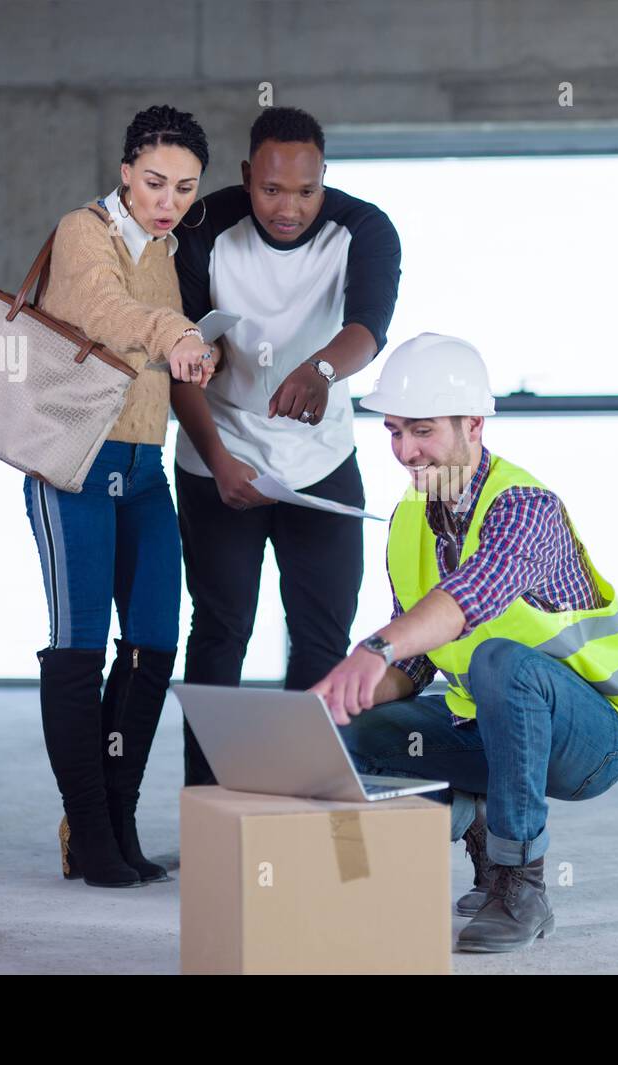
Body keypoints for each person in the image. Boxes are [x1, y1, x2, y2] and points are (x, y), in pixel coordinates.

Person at [310, 333, 618, 952]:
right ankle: (468, 822)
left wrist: (374, 648)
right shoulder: (409, 518)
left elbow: (468, 600)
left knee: (502, 662)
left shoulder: (525, 507)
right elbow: (413, 663)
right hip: (490, 728)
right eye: (393, 432)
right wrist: (351, 690)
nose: (404, 451)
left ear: (472, 425)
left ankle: (521, 885)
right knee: (358, 731)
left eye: (422, 431)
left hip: (592, 740)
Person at [170, 106, 401, 786]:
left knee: (323, 637)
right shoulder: (205, 229)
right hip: (217, 451)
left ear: (324, 178)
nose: (289, 207)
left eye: (306, 190)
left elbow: (369, 326)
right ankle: (208, 802)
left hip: (319, 462)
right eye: (272, 190)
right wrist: (217, 461)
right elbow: (178, 361)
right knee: (219, 630)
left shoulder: (364, 229)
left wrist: (322, 369)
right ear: (248, 177)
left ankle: (298, 803)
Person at [24, 105, 221, 888]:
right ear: (123, 172)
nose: (166, 199)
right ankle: (90, 829)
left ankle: (118, 816)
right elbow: (107, 311)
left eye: (183, 187)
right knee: (78, 642)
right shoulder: (86, 233)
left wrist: (199, 350)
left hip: (143, 467)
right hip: (71, 462)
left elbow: (161, 345)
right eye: (152, 182)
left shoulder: (169, 249)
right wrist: (173, 330)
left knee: (152, 643)